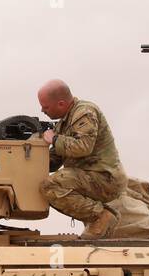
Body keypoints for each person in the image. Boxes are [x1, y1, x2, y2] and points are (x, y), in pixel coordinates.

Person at [36, 79, 131, 238]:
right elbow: (55, 160)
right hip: (90, 177)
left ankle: (101, 217)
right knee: (45, 185)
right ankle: (98, 219)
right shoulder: (63, 123)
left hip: (104, 178)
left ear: (60, 104)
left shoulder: (84, 112)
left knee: (50, 186)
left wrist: (54, 140)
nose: (42, 110)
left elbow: (83, 147)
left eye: (45, 107)